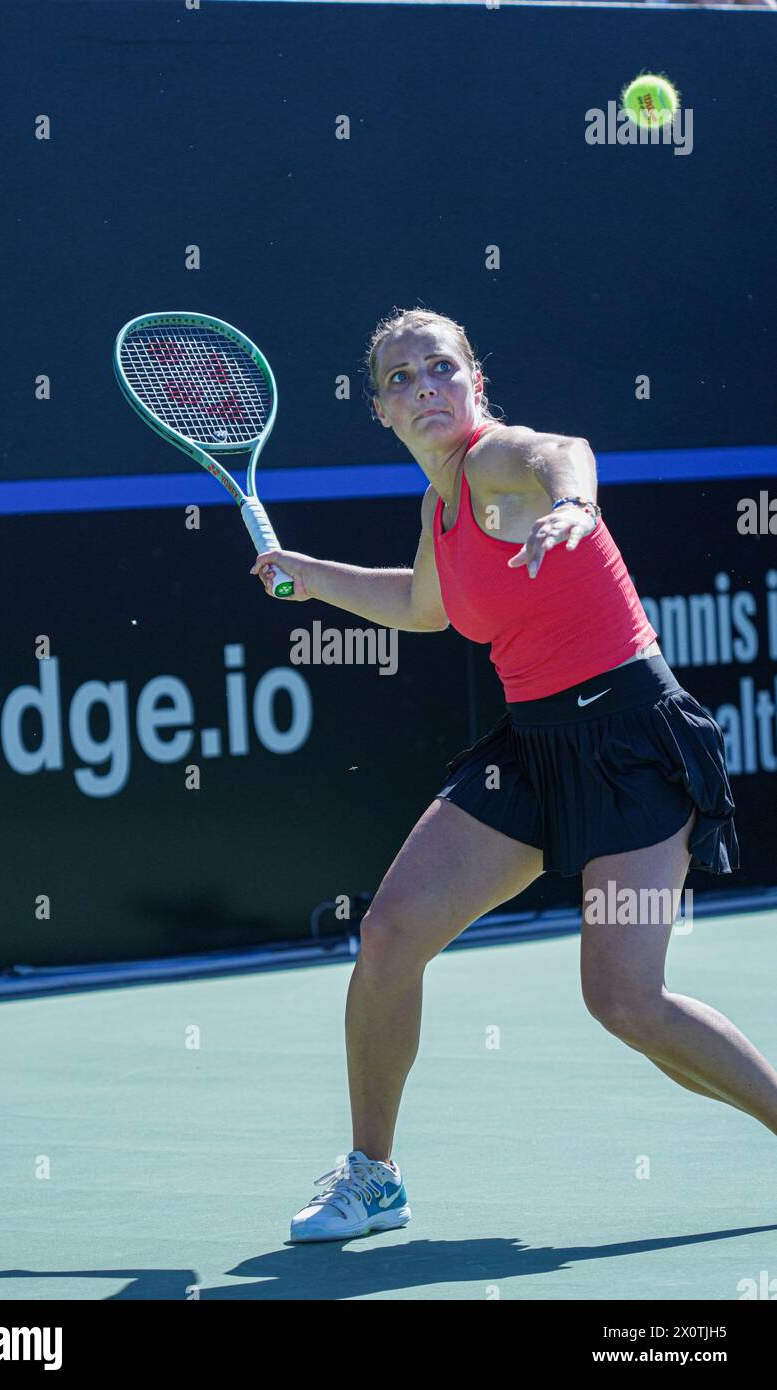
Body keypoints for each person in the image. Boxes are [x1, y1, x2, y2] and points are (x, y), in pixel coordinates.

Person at [250, 307, 773, 1246]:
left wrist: (573, 503)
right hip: (531, 754)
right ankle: (374, 1176)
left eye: (439, 368)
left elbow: (560, 451)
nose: (423, 389)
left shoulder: (497, 466)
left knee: (625, 1000)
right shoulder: (441, 504)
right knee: (390, 932)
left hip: (630, 744)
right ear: (380, 411)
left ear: (474, 381)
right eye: (400, 380)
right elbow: (424, 605)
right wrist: (309, 576)